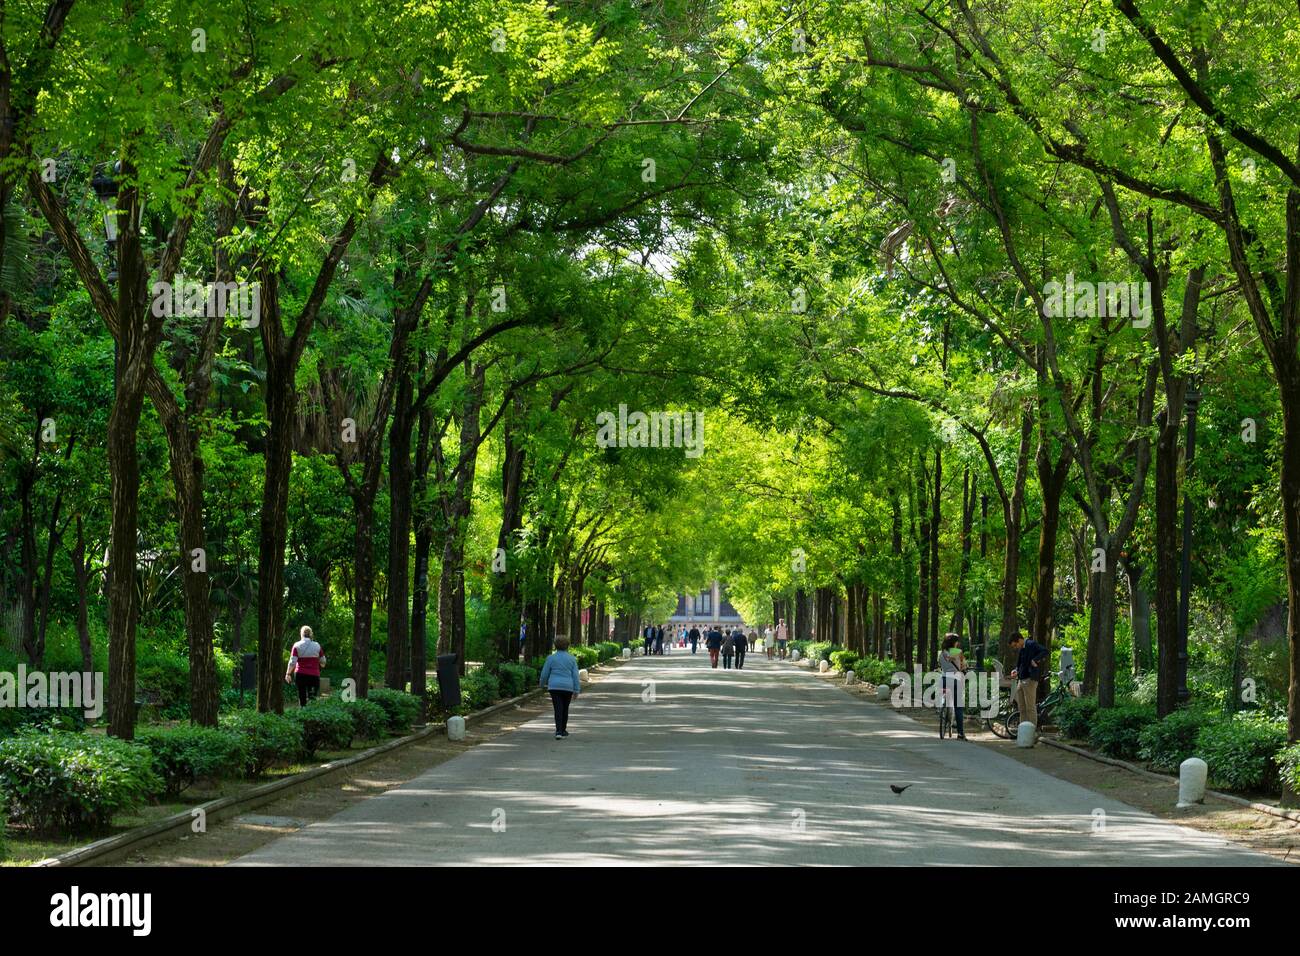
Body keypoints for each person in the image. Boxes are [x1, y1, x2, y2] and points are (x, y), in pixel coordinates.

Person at [539, 634, 582, 739]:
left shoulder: (551, 658)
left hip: (554, 687)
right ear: (568, 646)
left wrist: (541, 684)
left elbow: (545, 673)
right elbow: (576, 675)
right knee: (565, 708)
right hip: (568, 687)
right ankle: (563, 730)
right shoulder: (572, 659)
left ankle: (558, 731)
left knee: (558, 708)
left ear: (555, 645)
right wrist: (576, 690)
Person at [1008, 632, 1050, 731]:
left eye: (1015, 645)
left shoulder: (1031, 644)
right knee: (1022, 708)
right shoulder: (1021, 648)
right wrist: (1015, 670)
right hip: (1021, 680)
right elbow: (1020, 664)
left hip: (1030, 680)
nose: (1016, 647)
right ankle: (1023, 731)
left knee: (1030, 707)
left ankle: (1031, 731)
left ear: (1019, 640)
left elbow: (1045, 651)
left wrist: (1035, 660)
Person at [285, 625, 326, 707]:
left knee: (302, 696)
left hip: (300, 675)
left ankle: (302, 714)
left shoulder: (296, 645)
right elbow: (323, 661)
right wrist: (321, 665)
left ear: (301, 634)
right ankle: (311, 716)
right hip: (314, 675)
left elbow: (292, 662)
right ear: (311, 634)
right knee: (312, 698)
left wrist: (288, 673)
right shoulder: (317, 645)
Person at [939, 633, 967, 740]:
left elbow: (941, 666)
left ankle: (942, 707)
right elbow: (964, 665)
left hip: (944, 679)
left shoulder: (941, 653)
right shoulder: (958, 652)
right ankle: (960, 734)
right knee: (958, 707)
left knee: (945, 695)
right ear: (955, 642)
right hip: (956, 680)